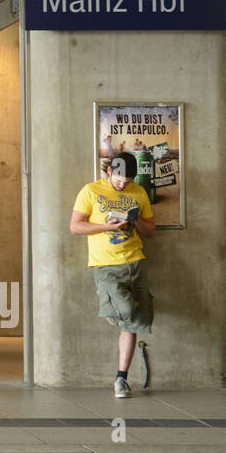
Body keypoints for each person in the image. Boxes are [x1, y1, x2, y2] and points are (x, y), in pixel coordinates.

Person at [69, 152, 158, 400]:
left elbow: (151, 231)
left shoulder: (139, 193)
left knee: (135, 323)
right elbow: (75, 226)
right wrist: (107, 227)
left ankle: (121, 379)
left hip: (135, 261)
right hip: (106, 264)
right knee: (127, 311)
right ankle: (113, 312)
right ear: (109, 171)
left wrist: (136, 222)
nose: (122, 185)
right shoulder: (90, 190)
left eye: (127, 181)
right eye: (119, 180)